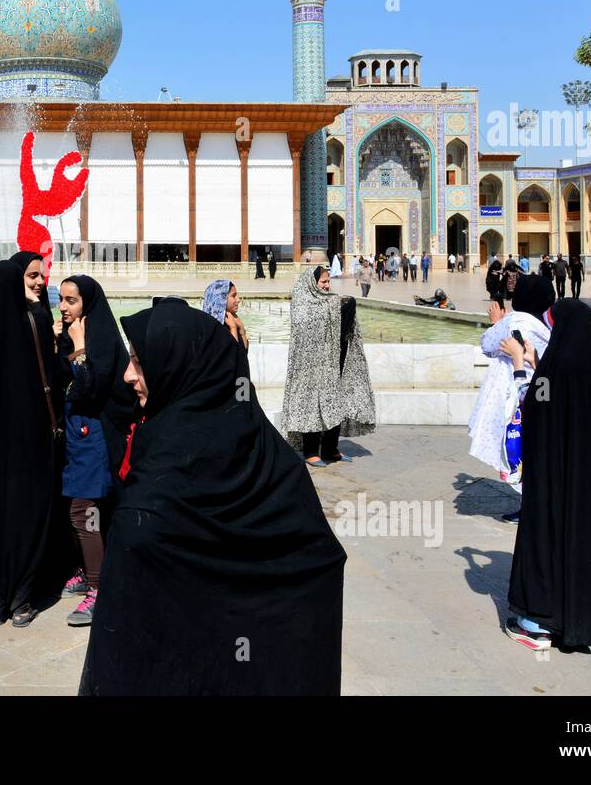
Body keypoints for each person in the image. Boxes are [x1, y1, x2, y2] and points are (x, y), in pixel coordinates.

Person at [79, 299, 346, 695]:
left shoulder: (158, 486)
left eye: (138, 360)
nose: (126, 375)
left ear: (176, 368)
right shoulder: (273, 460)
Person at [501, 299, 591, 651]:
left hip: (556, 476)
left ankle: (537, 623)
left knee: (549, 538)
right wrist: (542, 365)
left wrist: (522, 365)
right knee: (588, 541)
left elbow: (530, 405)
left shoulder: (557, 367)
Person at [0, 259, 64, 628]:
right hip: (28, 444)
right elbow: (54, 376)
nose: (40, 283)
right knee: (27, 514)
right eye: (32, 276)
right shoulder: (34, 323)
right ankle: (21, 600)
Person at [53, 275, 137, 626]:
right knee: (78, 505)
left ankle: (98, 590)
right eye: (61, 299)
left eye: (71, 300)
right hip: (75, 433)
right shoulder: (70, 333)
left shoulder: (98, 335)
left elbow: (89, 389)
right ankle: (88, 573)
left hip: (96, 434)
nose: (63, 307)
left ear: (87, 302)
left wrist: (80, 348)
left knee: (83, 508)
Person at [470, 274, 554, 522]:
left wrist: (496, 322)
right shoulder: (546, 326)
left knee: (518, 449)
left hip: (517, 394)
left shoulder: (515, 321)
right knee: (535, 447)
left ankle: (531, 507)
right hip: (542, 390)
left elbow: (487, 345)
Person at [282, 265, 375, 466]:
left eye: (328, 281)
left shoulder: (330, 301)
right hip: (312, 366)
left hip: (335, 359)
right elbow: (304, 328)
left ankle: (331, 449)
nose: (327, 286)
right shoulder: (302, 301)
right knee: (312, 406)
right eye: (323, 282)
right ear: (312, 283)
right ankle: (311, 452)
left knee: (335, 403)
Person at [201, 278, 249, 351]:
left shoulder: (231, 321)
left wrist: (242, 331)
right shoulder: (213, 328)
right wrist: (233, 328)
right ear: (221, 299)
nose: (238, 300)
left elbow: (243, 355)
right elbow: (232, 356)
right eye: (233, 296)